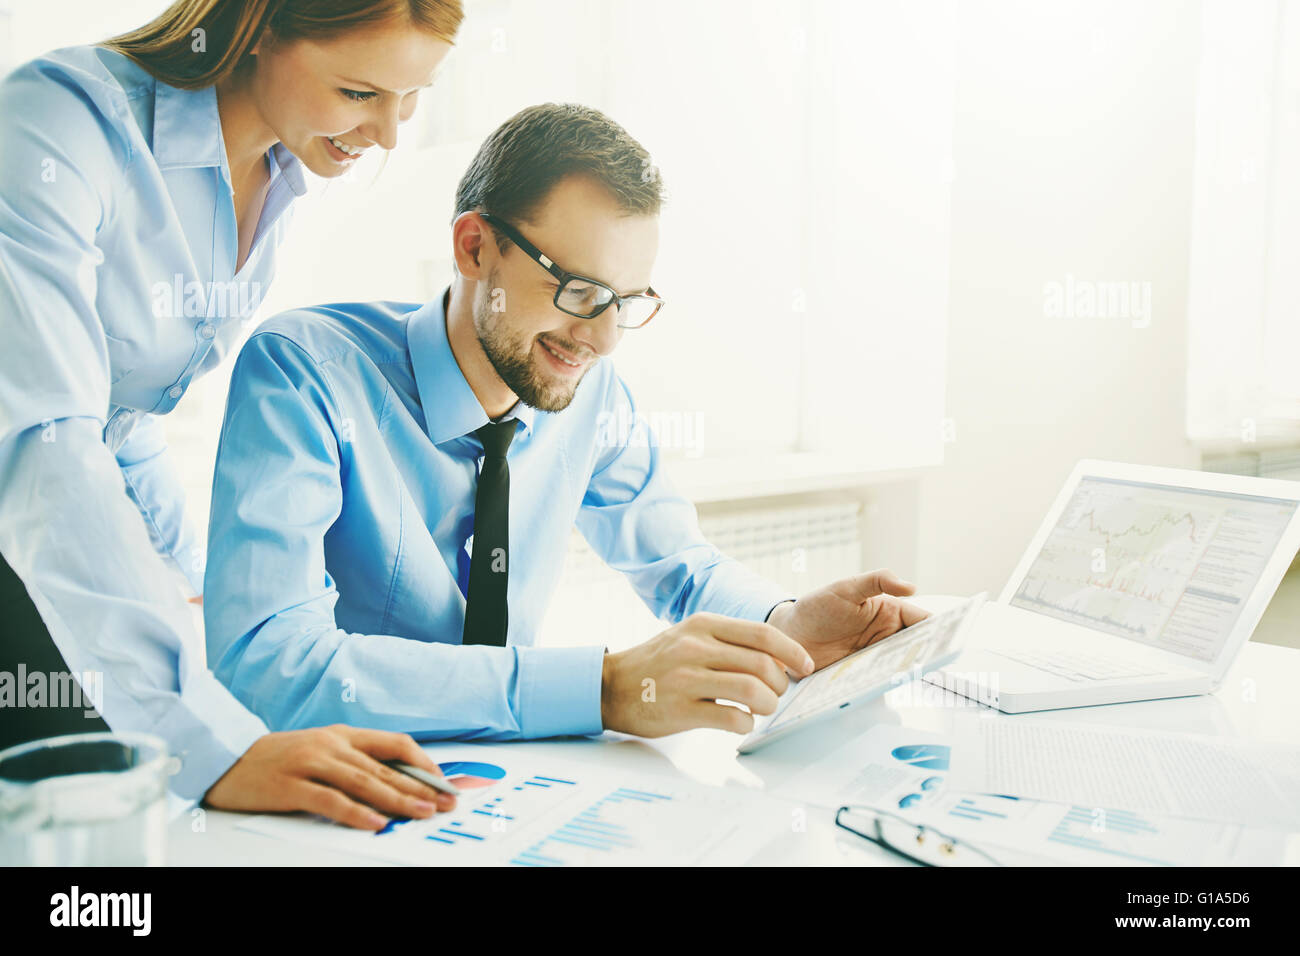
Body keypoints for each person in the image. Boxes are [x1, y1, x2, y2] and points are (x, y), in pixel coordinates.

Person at [203, 102, 929, 742]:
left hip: (505, 789)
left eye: (627, 301)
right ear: (474, 247)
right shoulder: (303, 373)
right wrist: (605, 689)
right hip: (329, 788)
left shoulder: (591, 392)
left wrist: (782, 624)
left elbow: (678, 562)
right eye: (580, 291)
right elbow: (269, 663)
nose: (604, 338)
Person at [0, 0, 466, 830]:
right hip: (22, 522)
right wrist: (210, 740)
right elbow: (50, 442)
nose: (390, 134)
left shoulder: (275, 173)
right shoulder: (58, 124)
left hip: (56, 515)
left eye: (412, 95)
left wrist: (198, 594)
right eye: (360, 91)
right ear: (257, 27)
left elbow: (123, 421)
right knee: (109, 808)